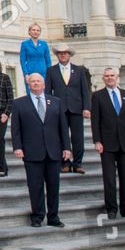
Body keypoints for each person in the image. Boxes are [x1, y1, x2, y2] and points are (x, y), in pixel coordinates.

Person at [11, 71, 71, 227]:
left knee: (53, 186)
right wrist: (17, 146)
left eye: (38, 81)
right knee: (35, 186)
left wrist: (67, 147)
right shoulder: (19, 103)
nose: (36, 83)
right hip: (32, 152)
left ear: (44, 85)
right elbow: (15, 128)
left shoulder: (56, 102)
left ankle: (53, 217)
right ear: (28, 84)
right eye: (33, 81)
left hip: (53, 151)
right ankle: (37, 216)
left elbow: (63, 127)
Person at [90, 66, 125, 219]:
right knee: (109, 179)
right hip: (107, 144)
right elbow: (95, 121)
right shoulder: (97, 96)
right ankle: (111, 209)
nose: (109, 78)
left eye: (112, 75)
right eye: (107, 76)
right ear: (103, 79)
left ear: (117, 77)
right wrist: (97, 141)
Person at [45, 43, 92, 174]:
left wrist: (86, 107)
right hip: (59, 109)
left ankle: (77, 163)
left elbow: (85, 91)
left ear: (69, 55)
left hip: (76, 108)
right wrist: (49, 107)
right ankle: (65, 163)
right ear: (57, 55)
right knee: (61, 136)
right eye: (60, 53)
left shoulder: (79, 70)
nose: (63, 55)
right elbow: (48, 91)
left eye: (65, 53)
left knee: (78, 138)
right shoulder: (51, 71)